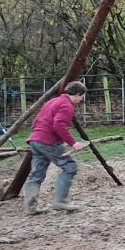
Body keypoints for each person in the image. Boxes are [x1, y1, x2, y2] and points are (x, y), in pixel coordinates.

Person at [23, 81, 89, 215]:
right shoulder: (66, 106)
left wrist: (39, 134)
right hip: (48, 141)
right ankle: (61, 201)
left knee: (36, 174)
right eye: (82, 97)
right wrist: (73, 143)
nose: (81, 100)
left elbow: (36, 120)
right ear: (77, 94)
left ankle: (31, 207)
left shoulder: (52, 101)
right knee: (70, 167)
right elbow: (58, 125)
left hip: (35, 140)